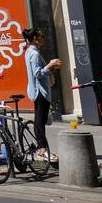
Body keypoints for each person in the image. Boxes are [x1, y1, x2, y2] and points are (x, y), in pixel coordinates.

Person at [23, 28, 61, 164]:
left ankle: (42, 149)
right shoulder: (34, 54)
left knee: (40, 120)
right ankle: (42, 150)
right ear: (35, 39)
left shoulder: (30, 52)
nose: (44, 38)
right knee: (39, 121)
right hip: (40, 92)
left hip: (38, 91)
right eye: (41, 36)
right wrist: (50, 65)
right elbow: (37, 74)